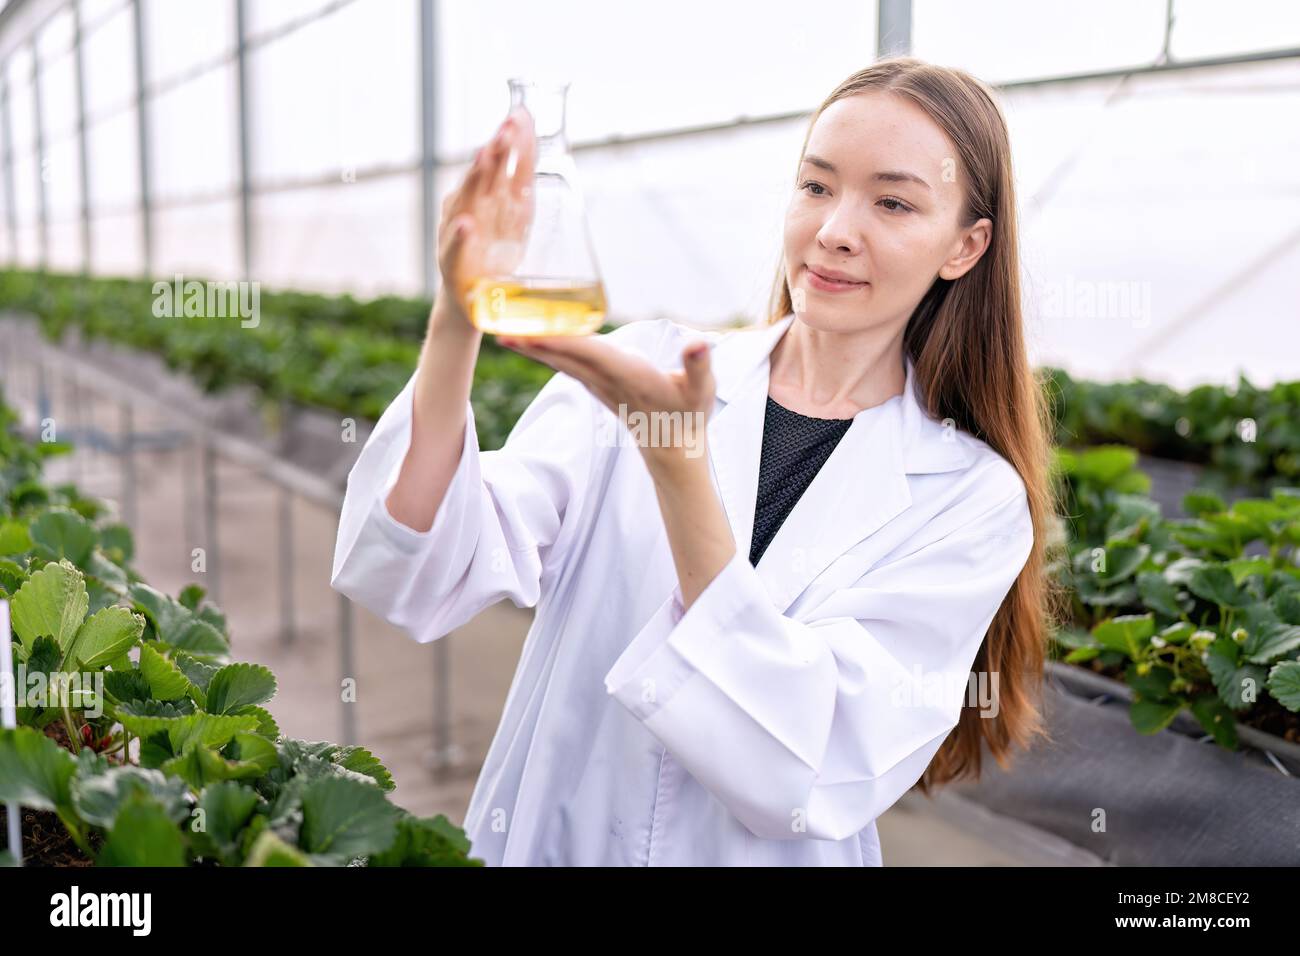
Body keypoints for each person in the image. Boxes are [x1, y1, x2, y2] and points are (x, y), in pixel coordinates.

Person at [330, 55, 1062, 866]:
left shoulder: (972, 500)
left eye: (891, 202)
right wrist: (457, 316)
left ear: (965, 246)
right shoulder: (651, 362)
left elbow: (810, 759)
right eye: (816, 186)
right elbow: (426, 560)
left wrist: (678, 466)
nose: (833, 230)